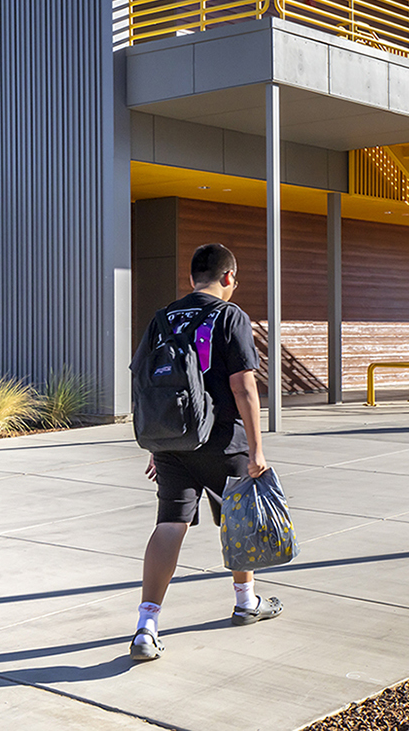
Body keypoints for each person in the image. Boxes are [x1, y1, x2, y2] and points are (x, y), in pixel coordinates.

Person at [132, 243, 278, 663]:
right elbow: (243, 387)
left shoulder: (163, 317)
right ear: (228, 278)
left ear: (191, 279)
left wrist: (157, 443)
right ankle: (245, 601)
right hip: (223, 441)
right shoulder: (230, 316)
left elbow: (145, 386)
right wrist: (257, 449)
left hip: (172, 443)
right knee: (238, 521)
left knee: (170, 523)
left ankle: (147, 624)